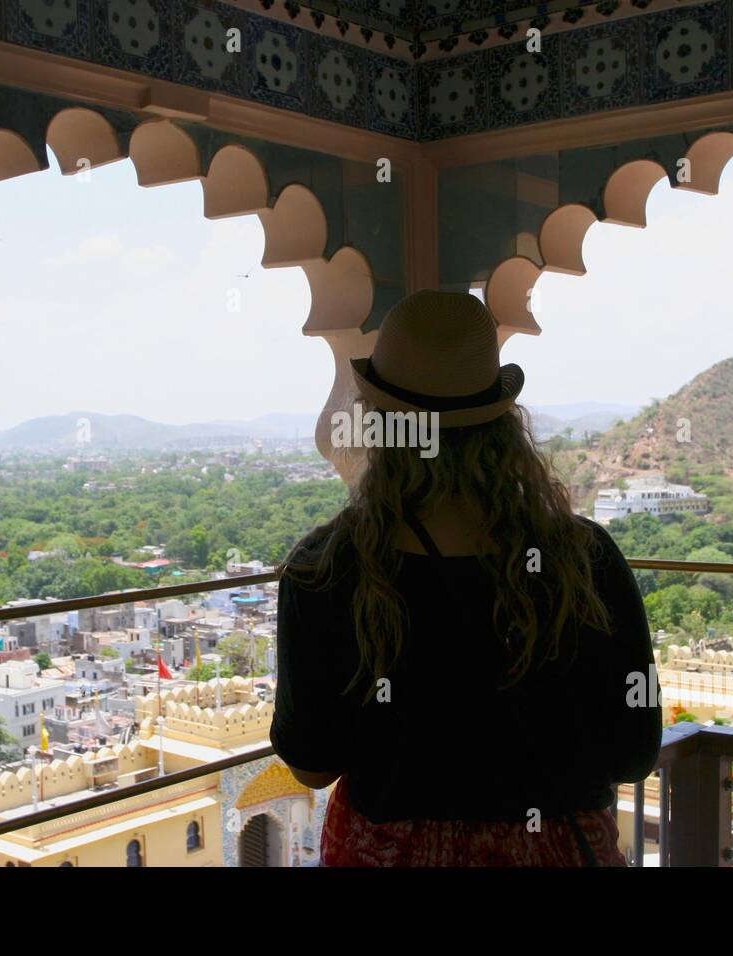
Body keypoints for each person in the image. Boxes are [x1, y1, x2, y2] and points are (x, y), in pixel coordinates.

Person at [270, 290, 662, 867]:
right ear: (501, 421)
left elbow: (311, 763)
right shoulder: (584, 560)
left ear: (378, 423)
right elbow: (634, 753)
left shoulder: (326, 567)